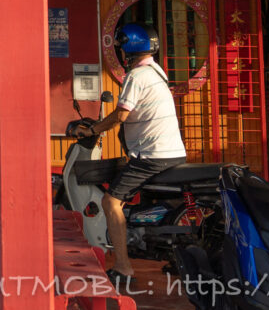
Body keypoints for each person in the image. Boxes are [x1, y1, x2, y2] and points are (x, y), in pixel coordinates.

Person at [74, 23, 186, 291]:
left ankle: (123, 267)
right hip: (170, 152)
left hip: (151, 155)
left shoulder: (137, 76)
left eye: (122, 47)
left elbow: (121, 115)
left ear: (129, 48)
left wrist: (92, 130)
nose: (121, 52)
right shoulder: (157, 72)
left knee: (111, 201)